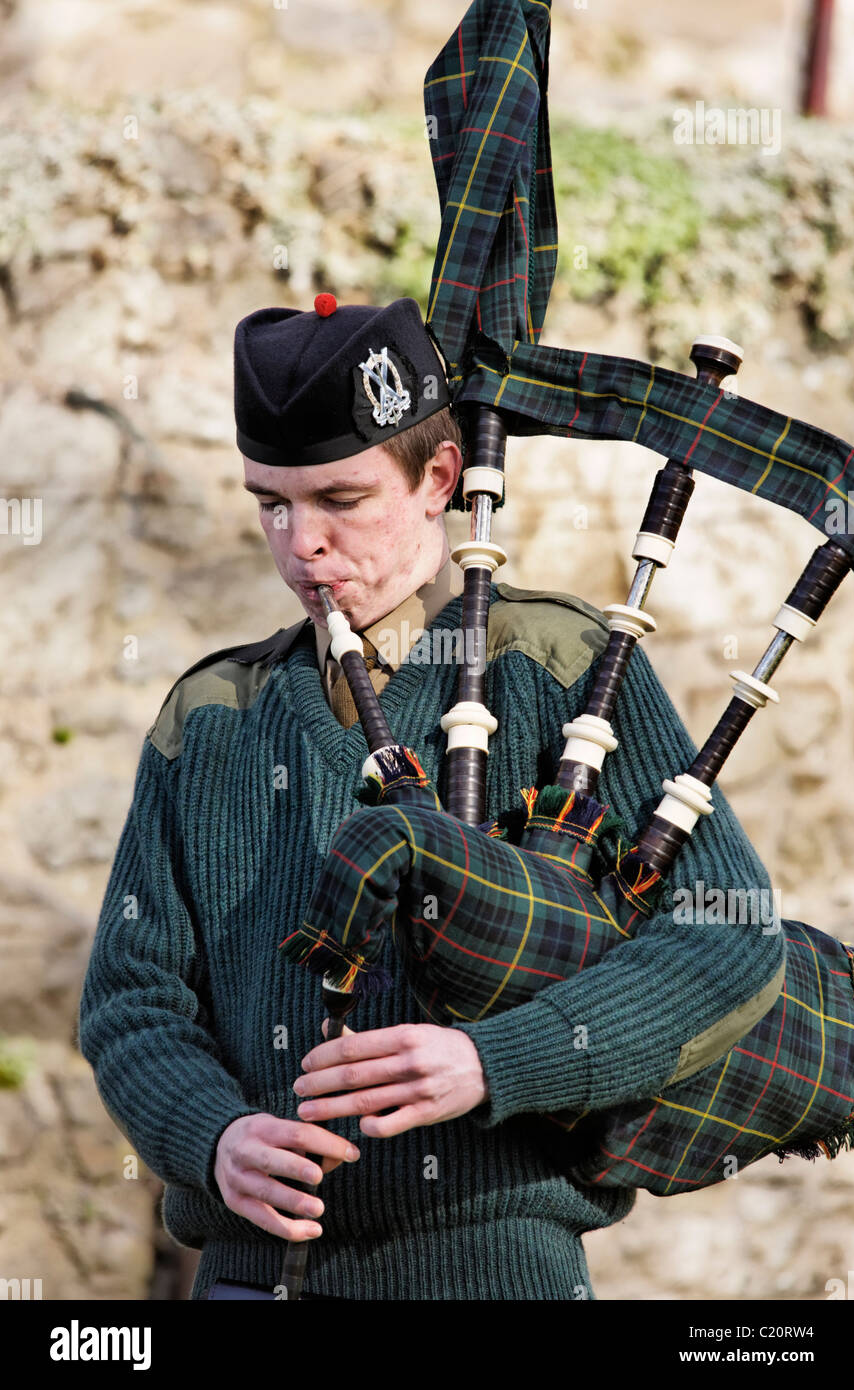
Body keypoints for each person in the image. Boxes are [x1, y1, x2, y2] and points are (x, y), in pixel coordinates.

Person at [78, 294, 785, 1300]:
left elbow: (727, 935)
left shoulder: (559, 666)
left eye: (340, 498)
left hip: (494, 1276)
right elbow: (132, 996)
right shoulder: (210, 715)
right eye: (271, 504)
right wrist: (214, 1135)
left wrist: (497, 1061)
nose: (302, 544)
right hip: (247, 1279)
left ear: (439, 480)